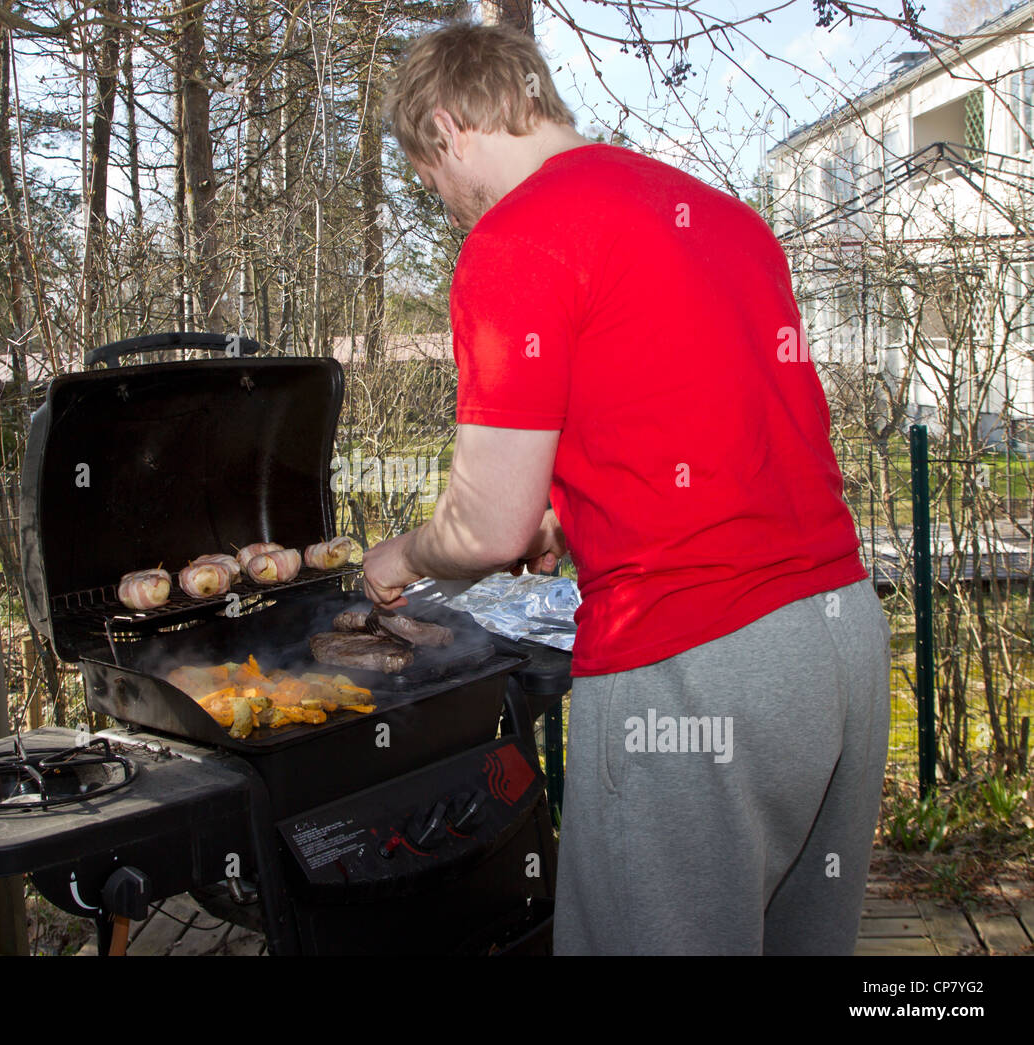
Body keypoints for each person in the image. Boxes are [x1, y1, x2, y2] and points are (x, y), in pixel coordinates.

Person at [367, 21, 891, 955]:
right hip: (840, 643)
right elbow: (712, 428)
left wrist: (402, 554)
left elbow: (486, 528)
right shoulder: (720, 214)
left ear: (445, 127)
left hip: (695, 663)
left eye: (427, 174)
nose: (440, 200)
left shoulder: (515, 238)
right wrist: (574, 511)